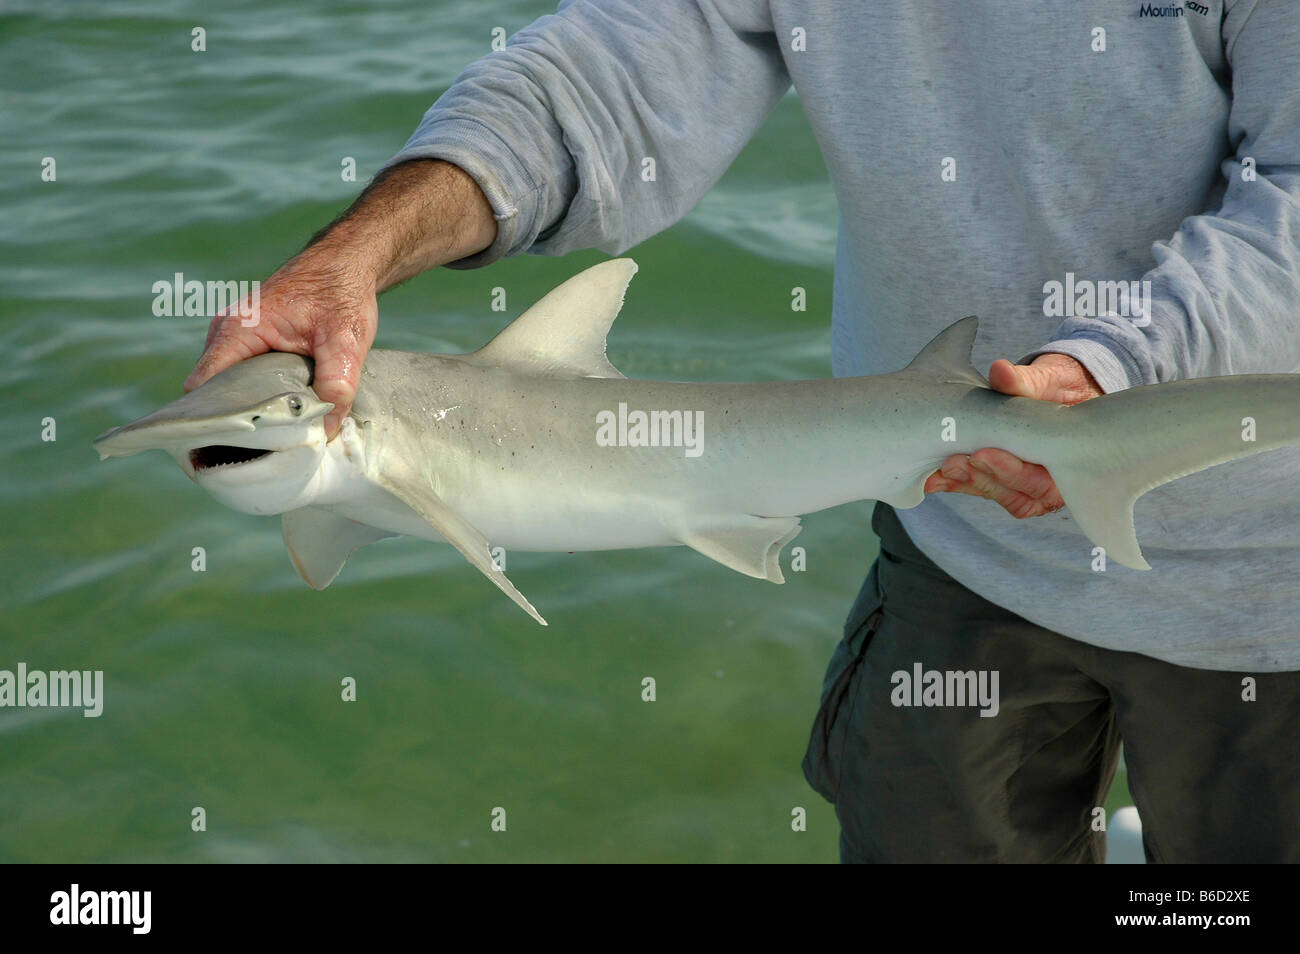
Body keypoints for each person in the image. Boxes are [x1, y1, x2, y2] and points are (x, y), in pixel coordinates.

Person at [188, 2, 1300, 863]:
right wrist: (360, 251)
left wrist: (1108, 370)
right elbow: (614, 74)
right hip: (957, 528)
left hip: (1264, 586)